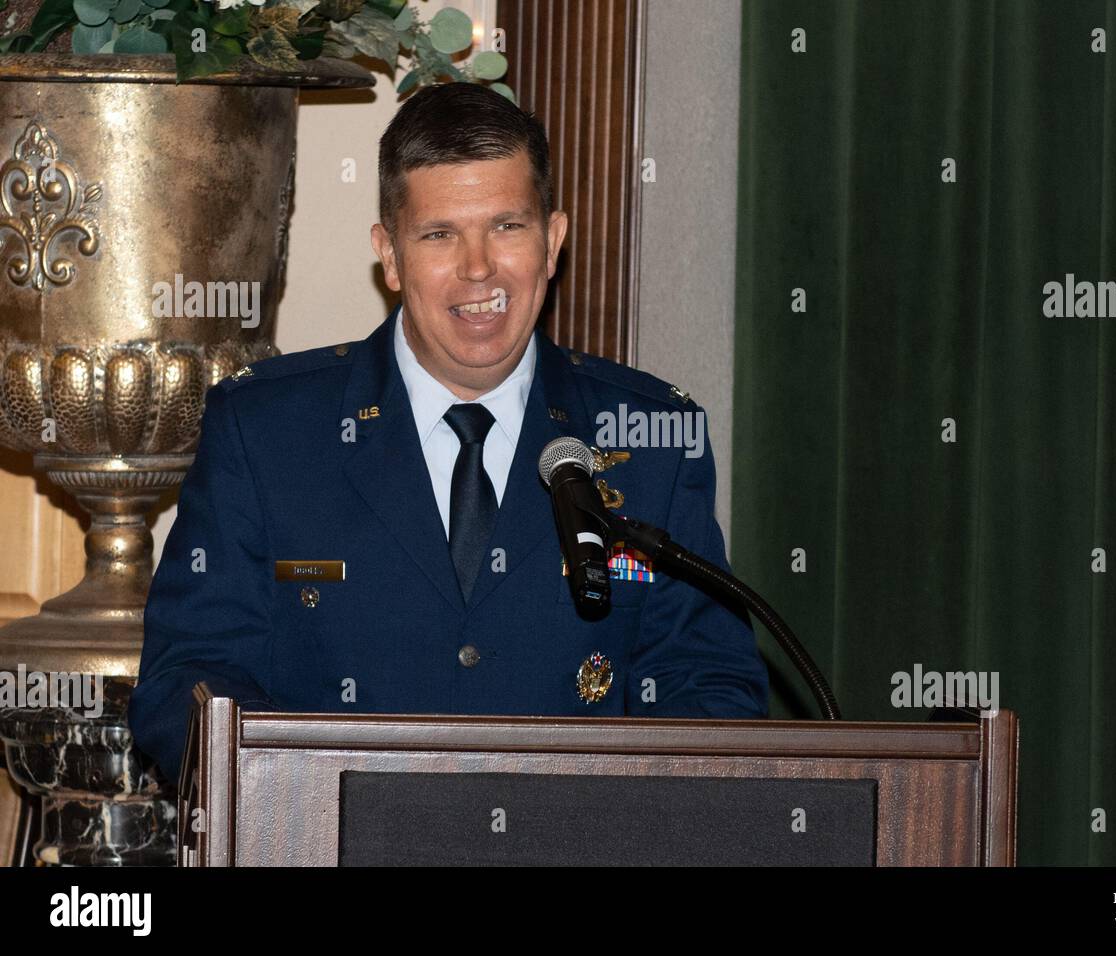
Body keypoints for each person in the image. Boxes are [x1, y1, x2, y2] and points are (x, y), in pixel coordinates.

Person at [128, 82, 768, 786]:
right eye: (439, 234)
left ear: (552, 242)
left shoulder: (651, 440)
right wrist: (289, 791)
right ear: (391, 256)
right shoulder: (267, 433)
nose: (478, 268)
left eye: (507, 226)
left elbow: (709, 687)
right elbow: (184, 679)